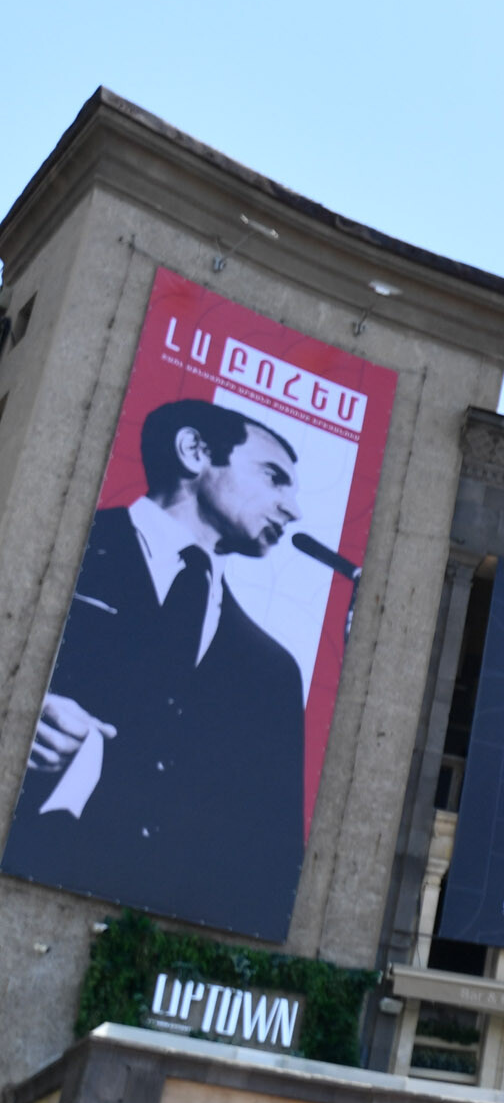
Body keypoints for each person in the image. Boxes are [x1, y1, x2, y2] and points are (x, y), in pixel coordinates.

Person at [4, 398, 307, 939]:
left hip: (172, 942)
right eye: (274, 478)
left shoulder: (275, 672)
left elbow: (273, 862)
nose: (294, 509)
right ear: (194, 451)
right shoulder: (56, 548)